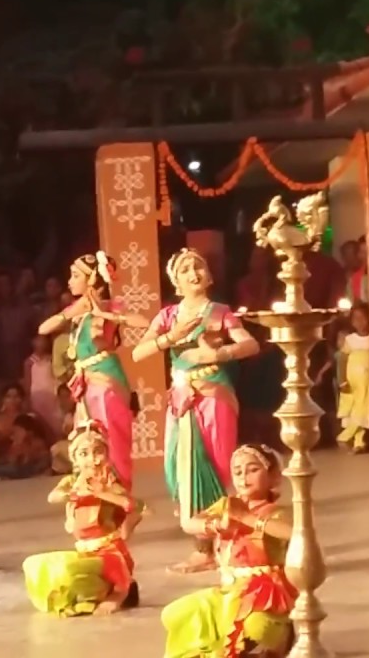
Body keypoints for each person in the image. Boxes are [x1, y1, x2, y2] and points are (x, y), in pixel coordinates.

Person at [132, 248, 259, 574]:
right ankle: (204, 545)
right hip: (182, 398)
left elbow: (251, 345)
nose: (194, 273)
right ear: (176, 282)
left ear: (210, 275)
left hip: (215, 396)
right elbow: (138, 353)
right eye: (185, 269)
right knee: (180, 470)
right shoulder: (168, 317)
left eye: (199, 267)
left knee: (217, 466)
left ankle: (221, 544)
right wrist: (169, 339)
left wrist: (214, 356)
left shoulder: (221, 312)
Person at [160, 444, 296, 657]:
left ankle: (280, 639)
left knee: (256, 626)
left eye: (253, 470)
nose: (244, 478)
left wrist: (248, 519)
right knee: (174, 614)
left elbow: (293, 533)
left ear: (273, 476)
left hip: (264, 595)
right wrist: (216, 526)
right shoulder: (227, 505)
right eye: (238, 472)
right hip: (229, 592)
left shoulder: (276, 512)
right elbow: (190, 524)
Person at [38, 252, 146, 488]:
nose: (69, 281)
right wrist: (74, 311)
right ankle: (93, 494)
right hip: (85, 382)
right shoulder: (76, 310)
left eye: (75, 275)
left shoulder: (110, 306)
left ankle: (120, 494)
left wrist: (104, 314)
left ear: (92, 279)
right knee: (86, 440)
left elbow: (143, 322)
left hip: (105, 380)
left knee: (113, 439)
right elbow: (43, 329)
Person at [22, 424, 139, 617]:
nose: (92, 460)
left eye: (98, 452)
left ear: (107, 455)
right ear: (75, 459)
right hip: (84, 548)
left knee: (105, 568)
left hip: (108, 548)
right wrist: (74, 493)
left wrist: (101, 493)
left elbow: (129, 503)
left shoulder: (110, 483)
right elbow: (53, 497)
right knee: (43, 567)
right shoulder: (72, 482)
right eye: (84, 454)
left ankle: (118, 594)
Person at [332, 303, 369, 453]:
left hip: (368, 380)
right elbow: (342, 360)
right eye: (356, 319)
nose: (360, 322)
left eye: (363, 318)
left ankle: (359, 443)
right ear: (351, 322)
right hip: (354, 380)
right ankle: (344, 436)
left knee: (364, 408)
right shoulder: (350, 339)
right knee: (357, 408)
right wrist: (342, 380)